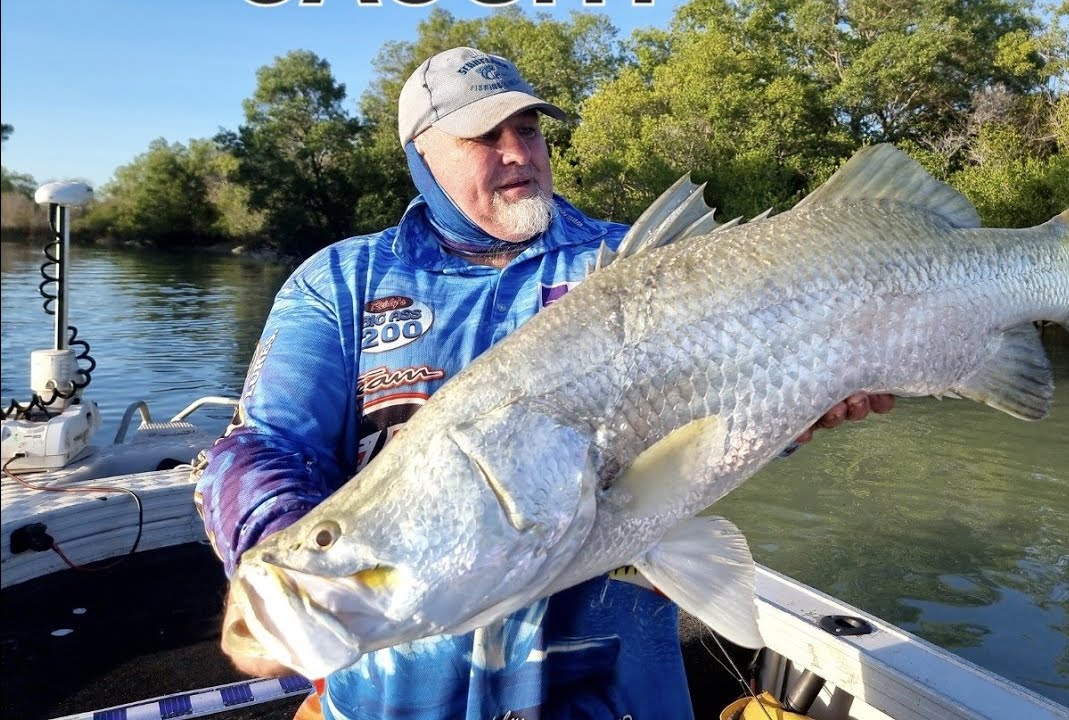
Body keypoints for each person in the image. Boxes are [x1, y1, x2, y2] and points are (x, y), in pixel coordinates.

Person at [193, 46, 894, 720]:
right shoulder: (341, 282)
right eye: (483, 135)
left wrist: (806, 406)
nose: (518, 152)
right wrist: (272, 544)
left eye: (527, 130)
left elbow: (736, 414)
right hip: (396, 696)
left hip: (614, 690)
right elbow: (264, 444)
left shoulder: (640, 263)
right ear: (421, 156)